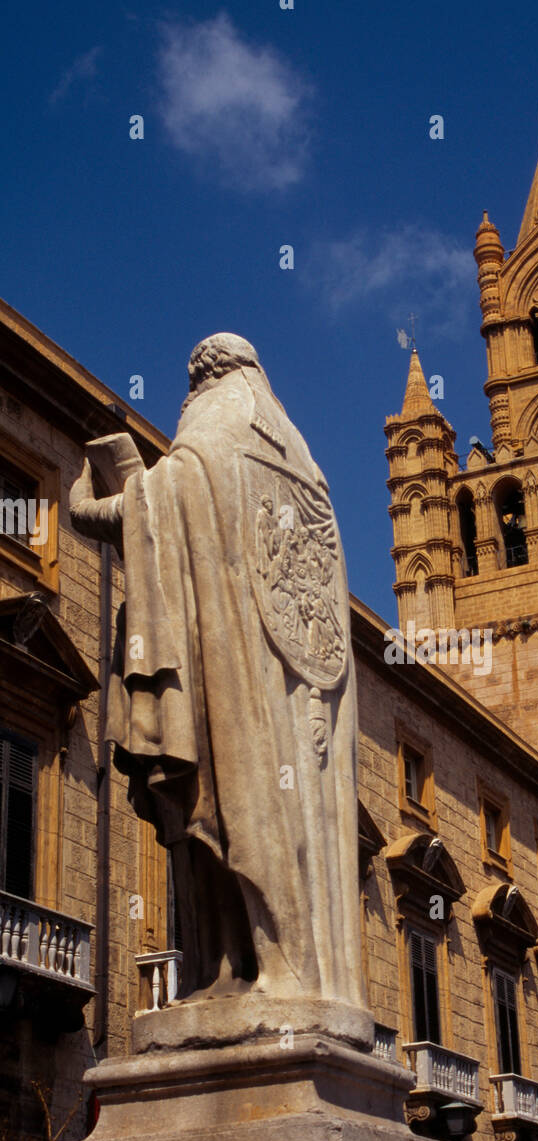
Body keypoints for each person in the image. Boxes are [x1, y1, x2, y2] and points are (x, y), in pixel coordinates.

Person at [70, 333, 363, 1007]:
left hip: (235, 676)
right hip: (285, 691)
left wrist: (107, 504)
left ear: (203, 378)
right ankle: (242, 968)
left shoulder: (215, 425)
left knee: (235, 797)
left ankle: (255, 968)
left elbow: (173, 497)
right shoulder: (300, 460)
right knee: (250, 806)